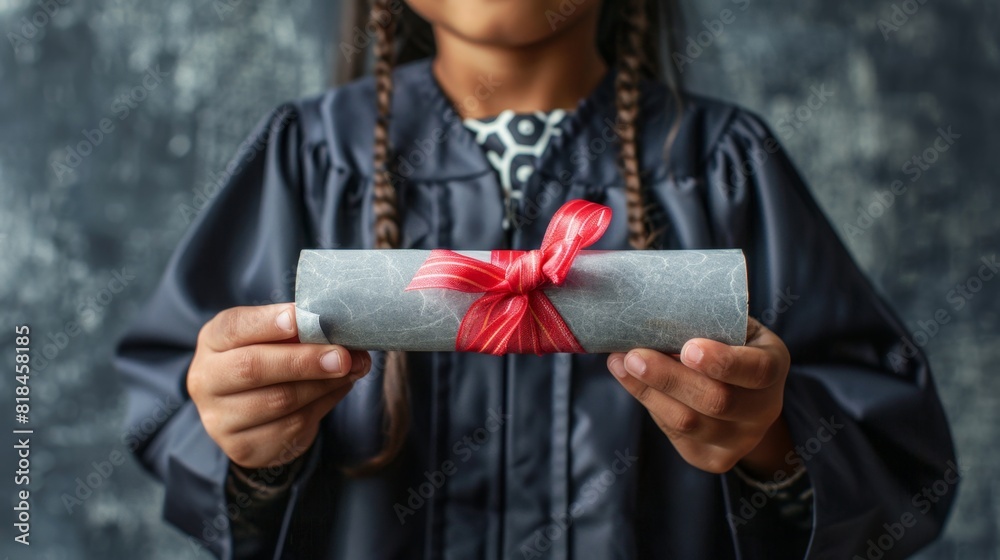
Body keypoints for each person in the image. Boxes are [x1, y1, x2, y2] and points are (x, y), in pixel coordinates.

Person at [114, 0, 957, 558]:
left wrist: (772, 439)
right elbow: (171, 405)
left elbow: (899, 456)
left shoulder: (720, 166)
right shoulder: (308, 159)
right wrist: (241, 446)